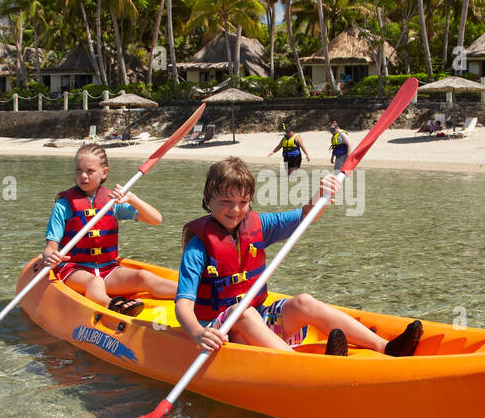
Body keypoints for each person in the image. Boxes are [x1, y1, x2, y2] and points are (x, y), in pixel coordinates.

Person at [175, 157, 422, 358]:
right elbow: (182, 305)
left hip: (257, 319)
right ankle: (299, 365)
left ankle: (384, 347)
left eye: (243, 202)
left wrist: (321, 195)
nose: (236, 210)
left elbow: (306, 216)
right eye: (225, 202)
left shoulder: (258, 224)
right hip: (219, 331)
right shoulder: (198, 247)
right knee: (243, 313)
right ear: (208, 198)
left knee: (304, 302)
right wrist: (198, 333)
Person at [38, 143, 176, 315]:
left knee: (143, 277)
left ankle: (192, 295)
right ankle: (113, 305)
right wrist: (50, 256)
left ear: (104, 172)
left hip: (109, 269)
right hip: (75, 270)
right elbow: (50, 247)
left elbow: (156, 219)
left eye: (90, 171)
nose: (83, 176)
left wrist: (131, 199)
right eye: (78, 170)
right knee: (95, 283)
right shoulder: (63, 205)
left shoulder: (112, 202)